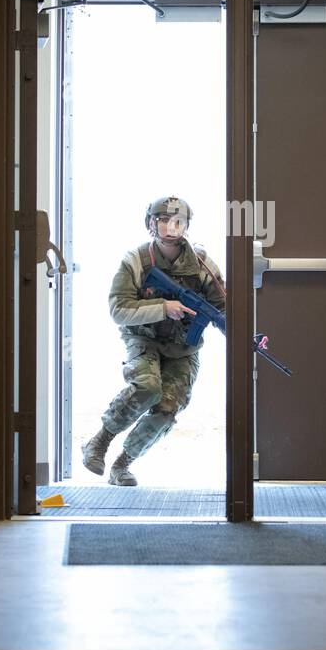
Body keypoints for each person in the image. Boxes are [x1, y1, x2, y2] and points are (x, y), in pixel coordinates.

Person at [82, 196, 226, 487]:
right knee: (147, 387)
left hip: (184, 346)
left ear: (187, 225)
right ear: (151, 223)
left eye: (179, 222)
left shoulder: (202, 263)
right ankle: (99, 442)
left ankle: (123, 464)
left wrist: (245, 333)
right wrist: (164, 308)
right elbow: (118, 309)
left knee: (168, 407)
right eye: (164, 220)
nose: (171, 227)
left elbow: (223, 306)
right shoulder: (136, 260)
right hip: (144, 339)